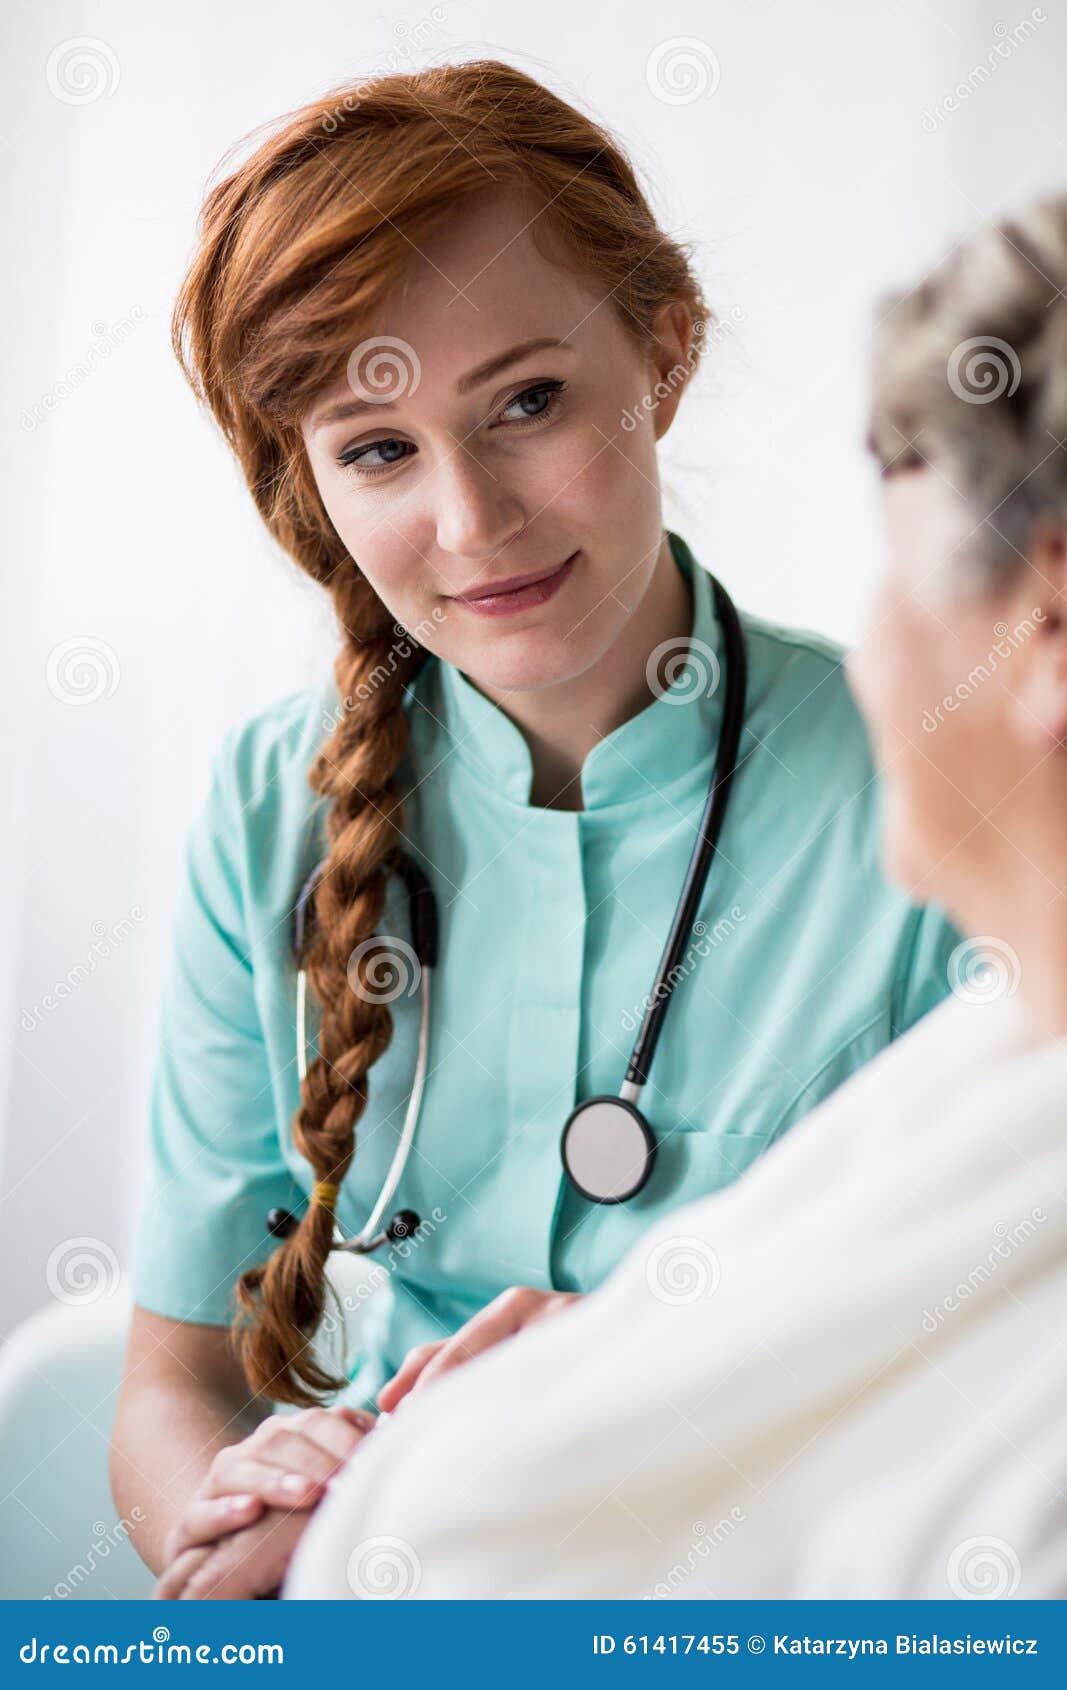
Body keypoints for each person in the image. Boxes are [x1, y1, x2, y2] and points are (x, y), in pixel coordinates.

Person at [110, 59, 958, 1596]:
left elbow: (996, 1384)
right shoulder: (266, 806)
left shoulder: (945, 789)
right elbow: (173, 1391)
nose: (474, 521)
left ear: (665, 352)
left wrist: (649, 1381)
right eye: (379, 449)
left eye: (528, 402)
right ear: (306, 477)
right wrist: (247, 1517)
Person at [281, 192, 1067, 1601]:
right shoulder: (1001, 1056)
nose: (473, 519)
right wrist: (609, 1355)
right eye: (382, 444)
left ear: (1047, 629)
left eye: (896, 569)